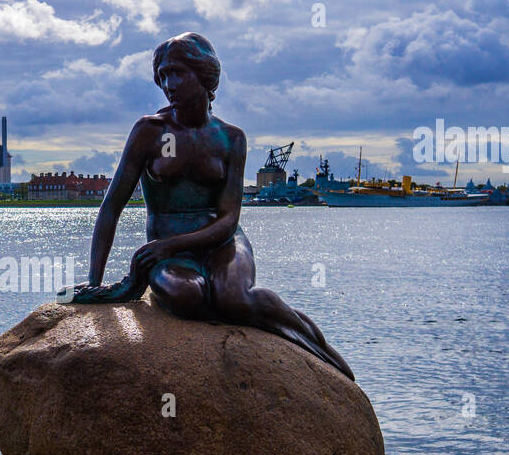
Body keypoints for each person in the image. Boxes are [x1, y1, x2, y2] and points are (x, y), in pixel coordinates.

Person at [66, 31, 354, 380]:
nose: (169, 84)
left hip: (222, 241)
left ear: (204, 74)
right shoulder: (149, 132)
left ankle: (317, 349)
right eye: (163, 75)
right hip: (170, 252)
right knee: (189, 296)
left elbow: (230, 217)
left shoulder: (231, 138)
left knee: (233, 297)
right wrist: (94, 280)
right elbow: (111, 207)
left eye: (178, 72)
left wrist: (166, 245)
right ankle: (273, 321)